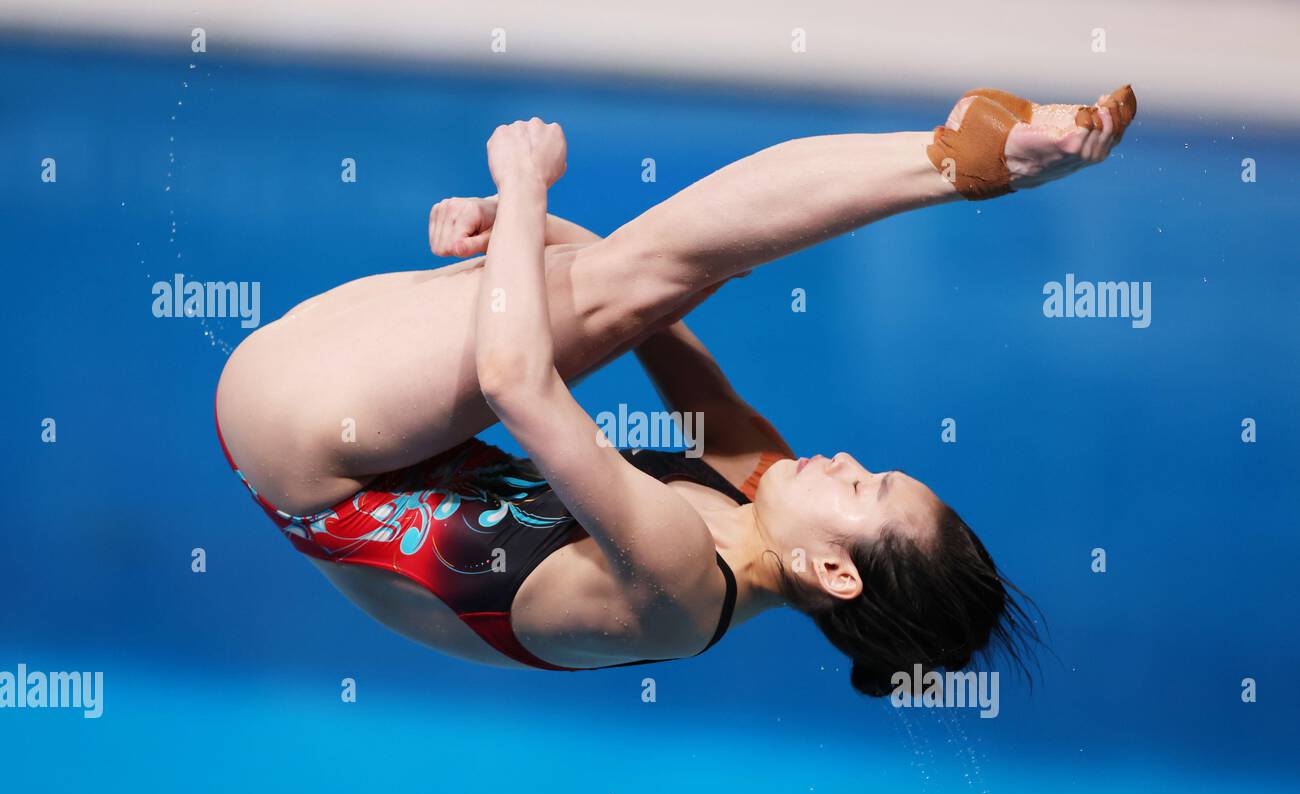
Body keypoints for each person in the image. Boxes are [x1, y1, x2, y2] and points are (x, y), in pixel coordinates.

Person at [214, 85, 1136, 693]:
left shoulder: (682, 583)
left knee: (673, 267)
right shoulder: (757, 491)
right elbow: (646, 297)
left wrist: (525, 183)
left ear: (833, 571)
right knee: (683, 272)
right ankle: (959, 157)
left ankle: (970, 161)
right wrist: (517, 230)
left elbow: (516, 383)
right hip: (351, 445)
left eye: (865, 489)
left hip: (310, 451)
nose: (850, 461)